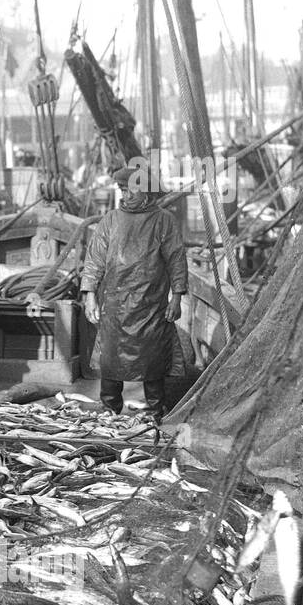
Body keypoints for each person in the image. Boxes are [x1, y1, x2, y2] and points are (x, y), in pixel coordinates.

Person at [80, 167, 187, 423]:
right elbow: (94, 260)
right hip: (115, 304)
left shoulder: (164, 221)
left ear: (148, 193)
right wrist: (90, 295)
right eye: (123, 190)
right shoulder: (110, 220)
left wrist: (177, 297)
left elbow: (176, 260)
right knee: (111, 357)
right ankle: (109, 407)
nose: (125, 196)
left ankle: (155, 410)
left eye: (131, 190)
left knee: (153, 360)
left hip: (151, 304)